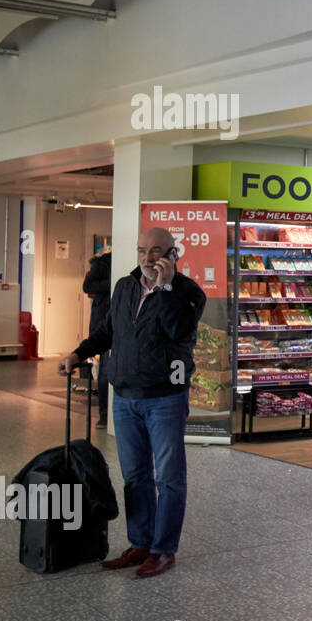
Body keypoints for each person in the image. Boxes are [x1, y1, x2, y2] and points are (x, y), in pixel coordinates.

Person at [58, 228, 206, 578]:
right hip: (125, 398)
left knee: (169, 479)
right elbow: (109, 332)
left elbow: (179, 331)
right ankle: (140, 543)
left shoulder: (188, 293)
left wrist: (166, 288)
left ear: (174, 254)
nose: (147, 257)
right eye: (142, 250)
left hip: (165, 398)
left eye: (156, 251)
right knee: (135, 477)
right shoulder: (124, 287)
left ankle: (163, 549)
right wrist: (78, 354)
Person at [82, 251, 112, 429]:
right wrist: (113, 283)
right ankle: (104, 414)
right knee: (105, 371)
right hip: (103, 323)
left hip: (121, 321)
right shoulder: (103, 263)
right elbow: (88, 286)